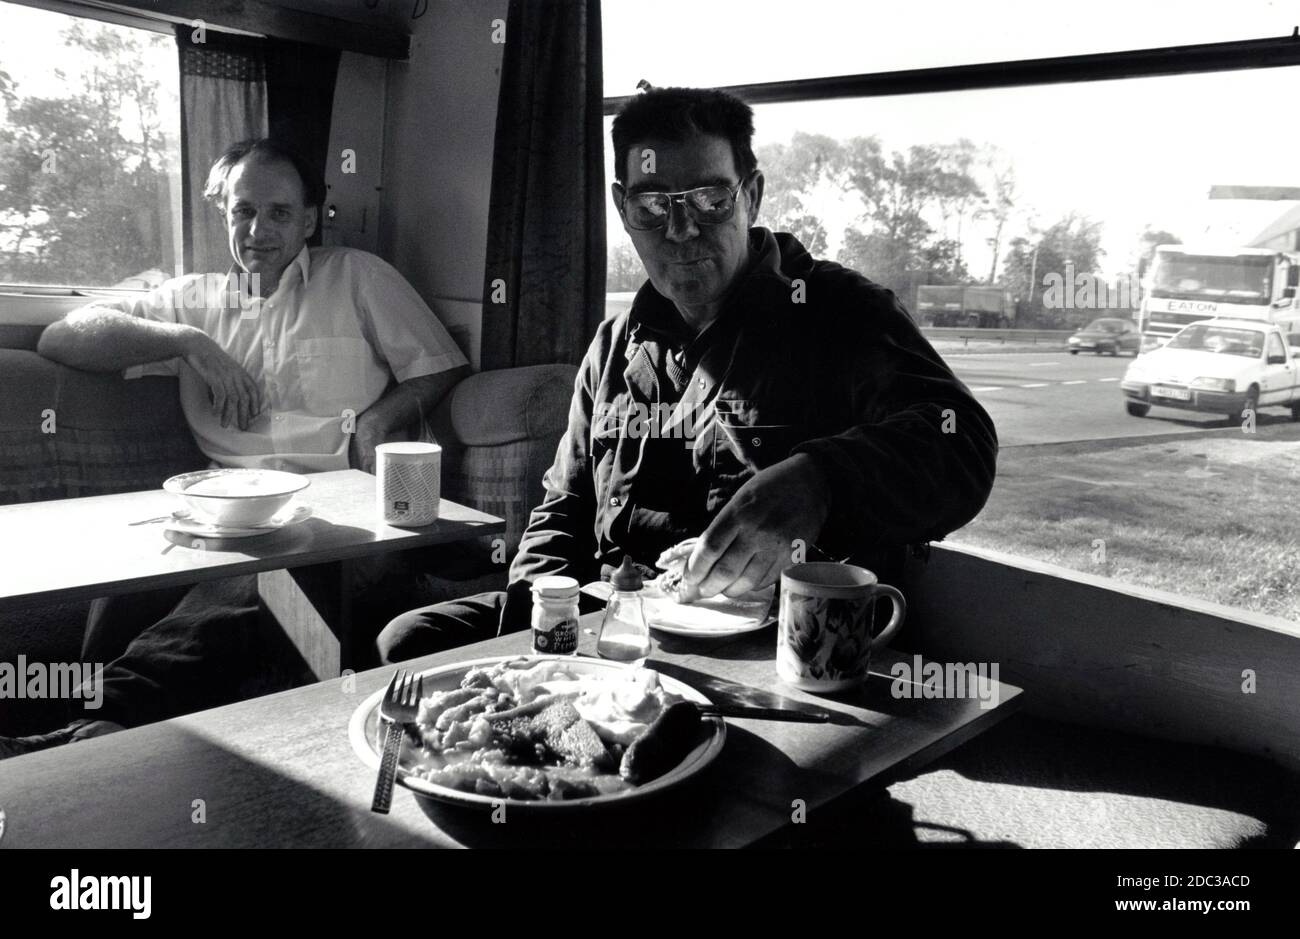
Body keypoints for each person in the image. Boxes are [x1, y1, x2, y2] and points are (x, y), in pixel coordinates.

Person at [376, 86, 997, 662]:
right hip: (609, 628)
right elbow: (562, 512)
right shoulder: (612, 348)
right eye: (653, 205)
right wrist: (542, 622)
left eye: (710, 198)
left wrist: (822, 479)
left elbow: (962, 443)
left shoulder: (840, 313)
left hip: (762, 647)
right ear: (623, 209)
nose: (682, 230)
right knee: (409, 638)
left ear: (751, 195)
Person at [0, 138, 469, 759]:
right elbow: (65, 336)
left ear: (308, 220)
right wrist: (191, 341)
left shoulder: (359, 276)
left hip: (340, 523)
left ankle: (100, 727)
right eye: (243, 211)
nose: (257, 230)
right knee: (134, 576)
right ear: (225, 214)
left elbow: (439, 366)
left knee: (266, 578)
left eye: (278, 213)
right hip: (220, 514)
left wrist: (383, 418)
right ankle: (86, 737)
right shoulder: (193, 298)